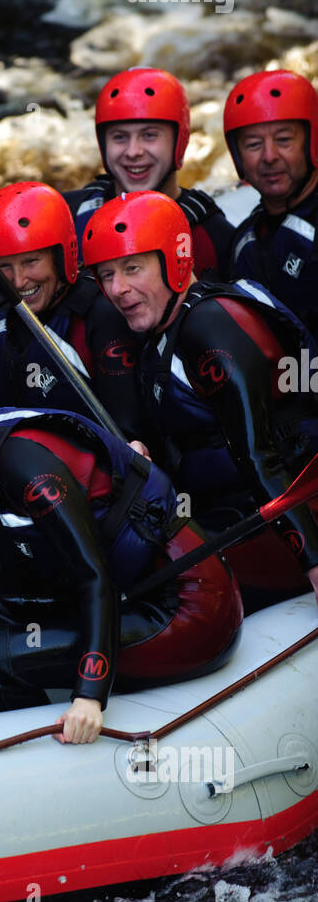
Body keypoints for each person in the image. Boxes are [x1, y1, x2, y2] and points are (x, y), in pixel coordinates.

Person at [0, 369, 243, 742]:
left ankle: (21, 766)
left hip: (186, 606)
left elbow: (95, 576)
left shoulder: (23, 467)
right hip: (126, 597)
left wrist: (89, 695)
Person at [82, 191, 318, 607]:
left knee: (139, 593)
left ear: (175, 260)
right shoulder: (162, 337)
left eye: (132, 268)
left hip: (289, 523)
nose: (117, 289)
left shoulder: (209, 327)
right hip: (231, 519)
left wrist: (314, 562)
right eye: (105, 275)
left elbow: (261, 457)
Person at [0, 180, 144, 437]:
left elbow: (129, 432)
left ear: (61, 256)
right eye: (3, 267)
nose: (19, 281)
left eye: (31, 261)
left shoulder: (100, 315)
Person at [65, 67, 234, 275]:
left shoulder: (215, 237)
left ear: (179, 142)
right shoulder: (68, 217)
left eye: (149, 135)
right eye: (119, 137)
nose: (133, 151)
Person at [224, 68, 318, 339]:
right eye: (254, 144)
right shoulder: (244, 238)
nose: (269, 156)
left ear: (311, 142)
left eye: (284, 140)